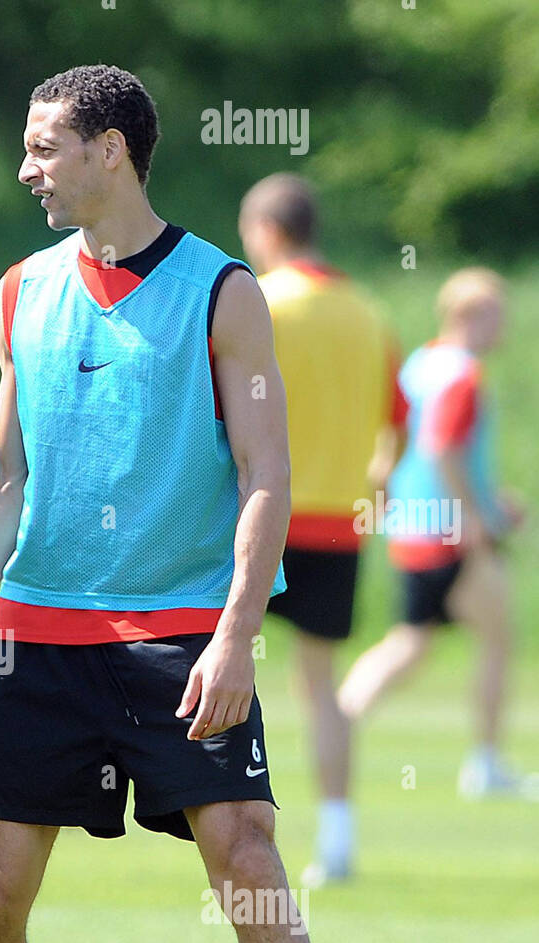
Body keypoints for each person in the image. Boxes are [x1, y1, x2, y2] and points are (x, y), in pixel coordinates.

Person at [0, 65, 369, 943]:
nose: (26, 168)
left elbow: (265, 478)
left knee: (252, 867)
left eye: (44, 147)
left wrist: (234, 636)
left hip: (183, 635)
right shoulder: (20, 288)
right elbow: (3, 471)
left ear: (112, 149)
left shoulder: (225, 292)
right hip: (41, 636)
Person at [239, 174, 408, 883]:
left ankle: (229, 827)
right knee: (321, 685)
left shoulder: (261, 303)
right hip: (339, 523)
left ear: (268, 231)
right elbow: (396, 425)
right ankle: (336, 839)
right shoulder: (368, 311)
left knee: (223, 669)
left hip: (258, 516)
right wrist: (374, 486)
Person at [338, 268, 527, 797]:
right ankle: (483, 764)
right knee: (477, 638)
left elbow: (407, 442)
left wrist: (488, 502)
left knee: (421, 641)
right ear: (469, 314)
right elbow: (443, 447)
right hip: (450, 533)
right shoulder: (464, 373)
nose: (503, 328)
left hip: (415, 526)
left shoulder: (420, 364)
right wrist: (478, 516)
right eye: (496, 315)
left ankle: (343, 719)